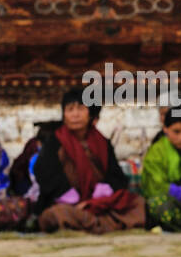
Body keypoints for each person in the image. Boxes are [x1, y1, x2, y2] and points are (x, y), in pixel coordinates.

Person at [35, 89, 146, 233]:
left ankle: (91, 223)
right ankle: (102, 224)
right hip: (69, 205)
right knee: (55, 215)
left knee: (138, 203)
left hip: (99, 204)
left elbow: (116, 176)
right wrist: (66, 194)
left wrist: (105, 190)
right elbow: (44, 174)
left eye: (81, 108)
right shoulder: (54, 142)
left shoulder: (102, 142)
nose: (75, 114)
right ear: (64, 114)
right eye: (70, 109)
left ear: (90, 113)